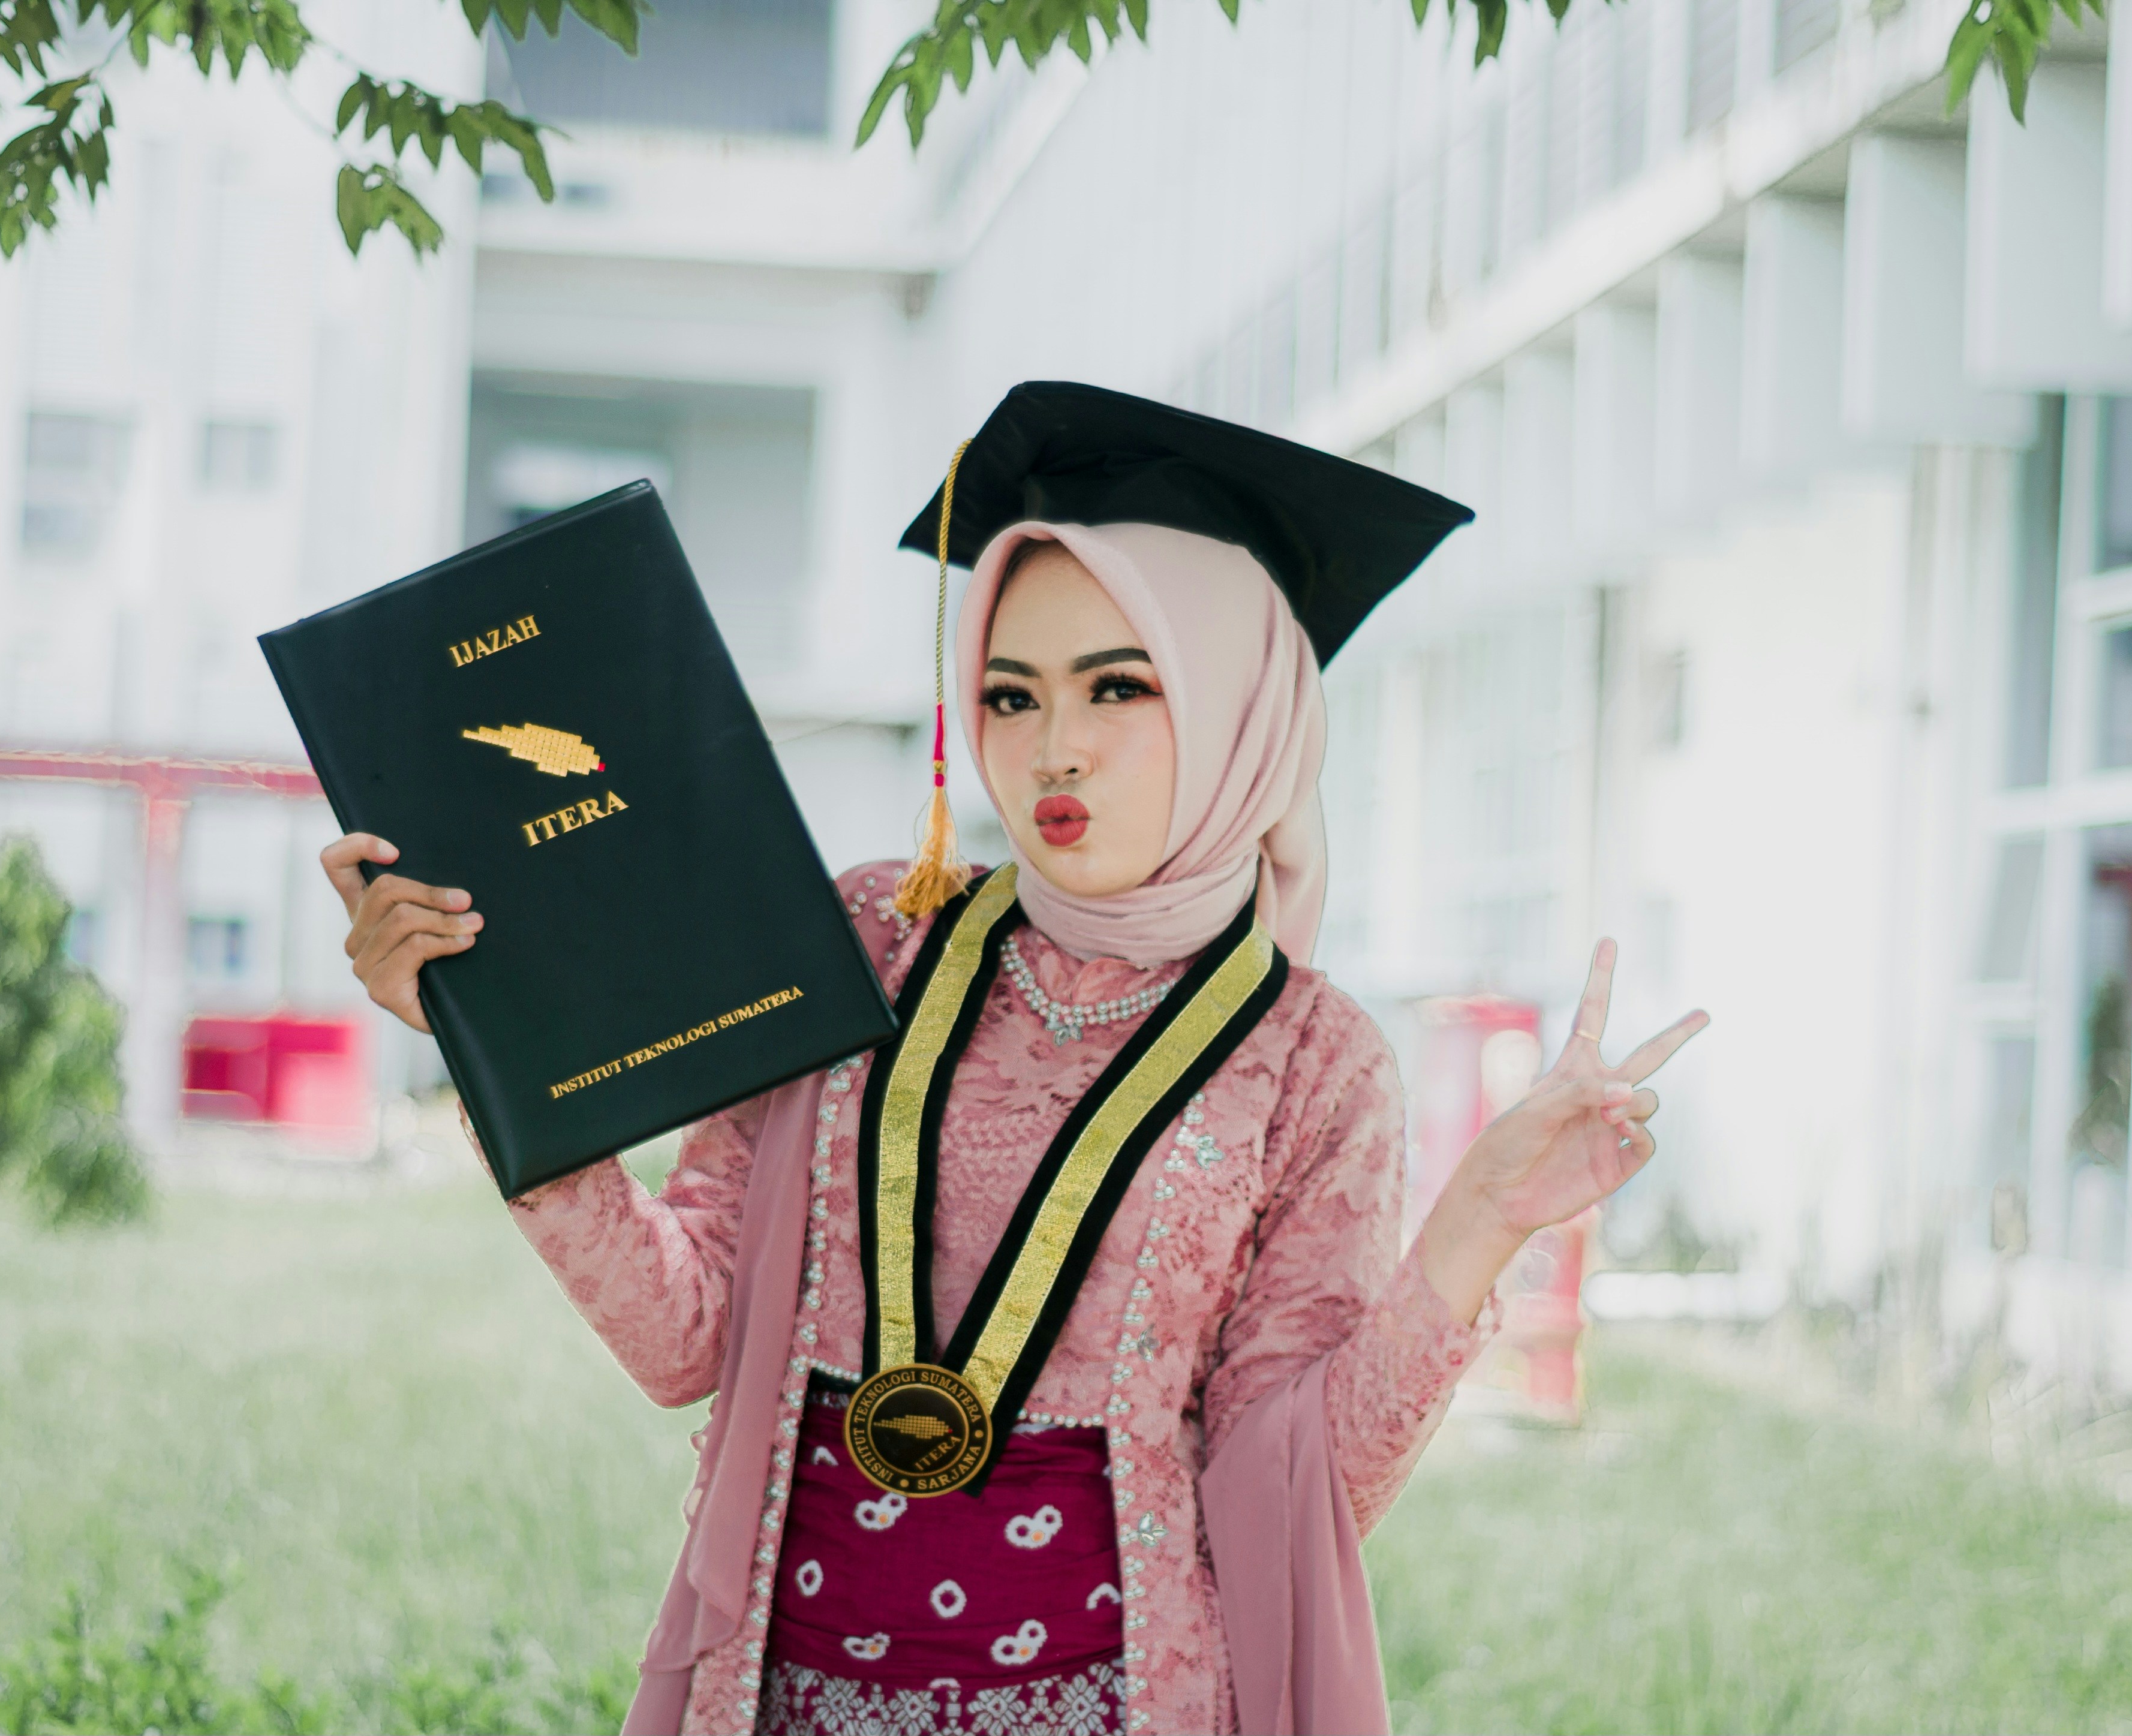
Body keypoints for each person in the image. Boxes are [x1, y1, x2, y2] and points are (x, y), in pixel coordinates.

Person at [318, 384, 1707, 1736]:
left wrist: (1476, 1227)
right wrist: (485, 1035)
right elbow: (688, 1338)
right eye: (1010, 692)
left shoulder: (1310, 1058)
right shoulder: (872, 935)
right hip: (787, 1694)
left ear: (1240, 704)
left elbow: (1297, 1485)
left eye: (1119, 686)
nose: (1056, 747)